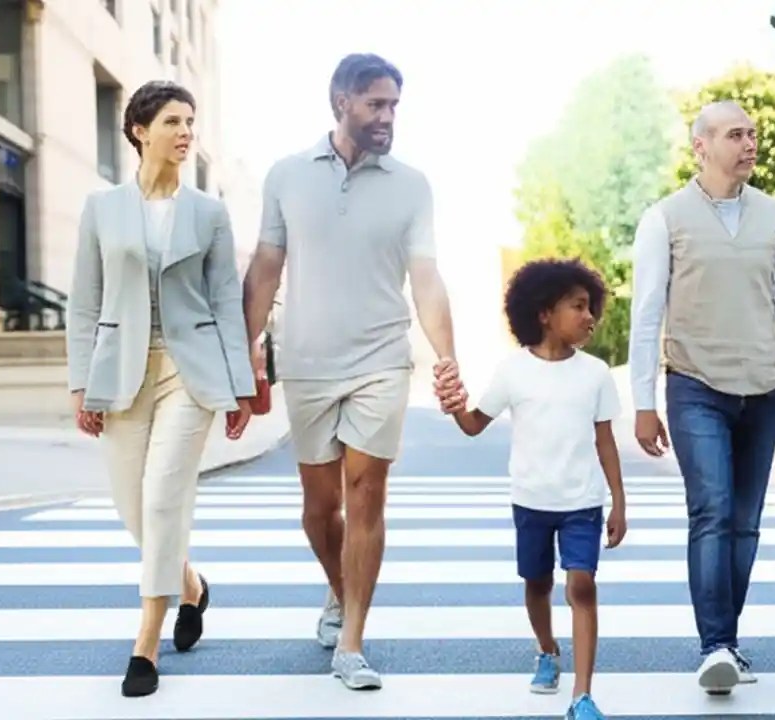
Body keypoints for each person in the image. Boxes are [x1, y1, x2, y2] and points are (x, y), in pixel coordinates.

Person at [241, 52, 460, 689]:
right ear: (341, 102)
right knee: (319, 507)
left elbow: (426, 277)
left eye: (394, 104)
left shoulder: (412, 185)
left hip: (381, 359)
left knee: (366, 492)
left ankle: (353, 643)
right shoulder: (286, 175)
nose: (388, 116)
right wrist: (242, 353)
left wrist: (447, 358)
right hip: (308, 361)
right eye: (376, 104)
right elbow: (264, 268)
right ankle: (339, 591)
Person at [628, 100, 775, 695]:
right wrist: (642, 400)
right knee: (713, 512)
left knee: (745, 524)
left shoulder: (774, 217)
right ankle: (714, 644)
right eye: (734, 134)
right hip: (695, 386)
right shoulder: (664, 219)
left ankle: (729, 640)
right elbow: (646, 316)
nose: (748, 143)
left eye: (751, 133)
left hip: (763, 389)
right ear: (701, 146)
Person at [65, 80, 255, 698]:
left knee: (163, 498)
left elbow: (227, 300)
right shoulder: (102, 209)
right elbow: (84, 303)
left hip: (189, 370)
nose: (185, 132)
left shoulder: (208, 212)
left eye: (191, 122)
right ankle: (192, 586)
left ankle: (146, 641)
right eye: (173, 121)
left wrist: (239, 385)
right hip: (121, 371)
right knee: (132, 507)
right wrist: (80, 383)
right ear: (140, 130)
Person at [434, 257, 627, 720]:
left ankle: (582, 696)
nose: (589, 317)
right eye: (577, 307)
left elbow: (605, 441)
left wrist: (618, 502)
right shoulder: (513, 371)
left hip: (582, 501)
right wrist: (455, 405)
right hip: (532, 500)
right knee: (537, 584)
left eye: (590, 306)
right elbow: (475, 425)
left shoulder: (596, 374)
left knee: (581, 585)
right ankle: (546, 650)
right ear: (543, 313)